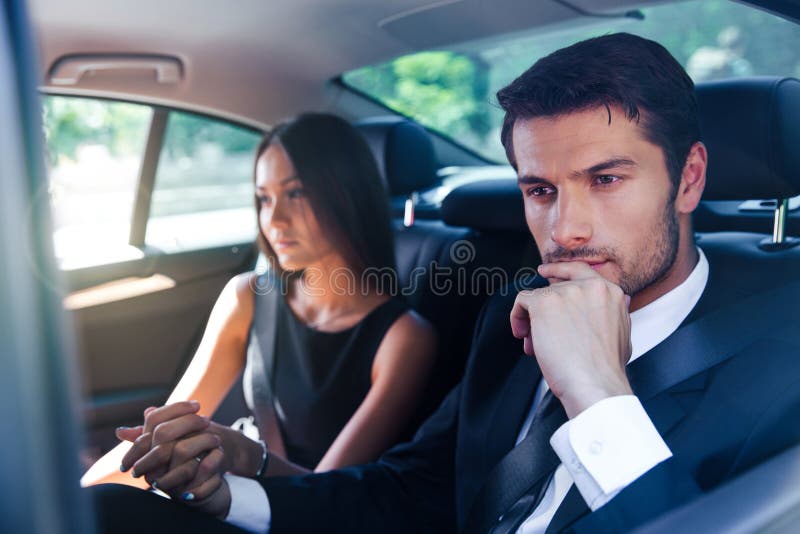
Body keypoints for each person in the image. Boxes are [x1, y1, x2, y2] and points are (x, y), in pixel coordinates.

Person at [92, 33, 800, 533]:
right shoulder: (510, 317)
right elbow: (414, 491)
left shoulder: (781, 371)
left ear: (690, 179)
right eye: (540, 189)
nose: (568, 229)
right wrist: (231, 496)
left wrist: (597, 394)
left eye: (606, 179)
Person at [82, 112, 438, 492]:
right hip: (218, 498)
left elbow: (329, 496)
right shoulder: (248, 297)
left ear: (346, 192)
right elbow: (165, 434)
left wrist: (248, 455)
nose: (274, 219)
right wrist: (82, 498)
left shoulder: (404, 339)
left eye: (295, 193)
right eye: (264, 198)